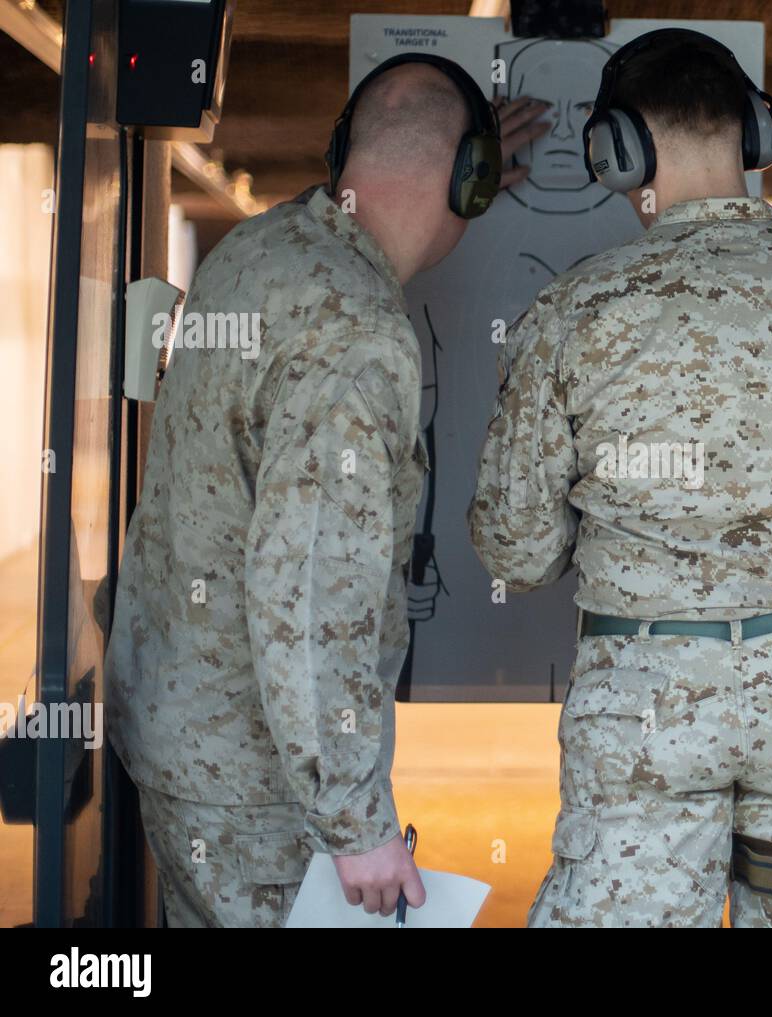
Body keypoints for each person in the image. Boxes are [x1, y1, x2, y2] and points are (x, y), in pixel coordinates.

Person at [469, 30, 772, 928]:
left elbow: (514, 551)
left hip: (647, 702)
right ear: (755, 133)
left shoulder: (572, 310)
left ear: (614, 152)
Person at [105, 54, 549, 927]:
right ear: (472, 180)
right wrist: (356, 824)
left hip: (187, 743)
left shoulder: (258, 251)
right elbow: (310, 588)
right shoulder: (357, 335)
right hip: (257, 790)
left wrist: (459, 149)